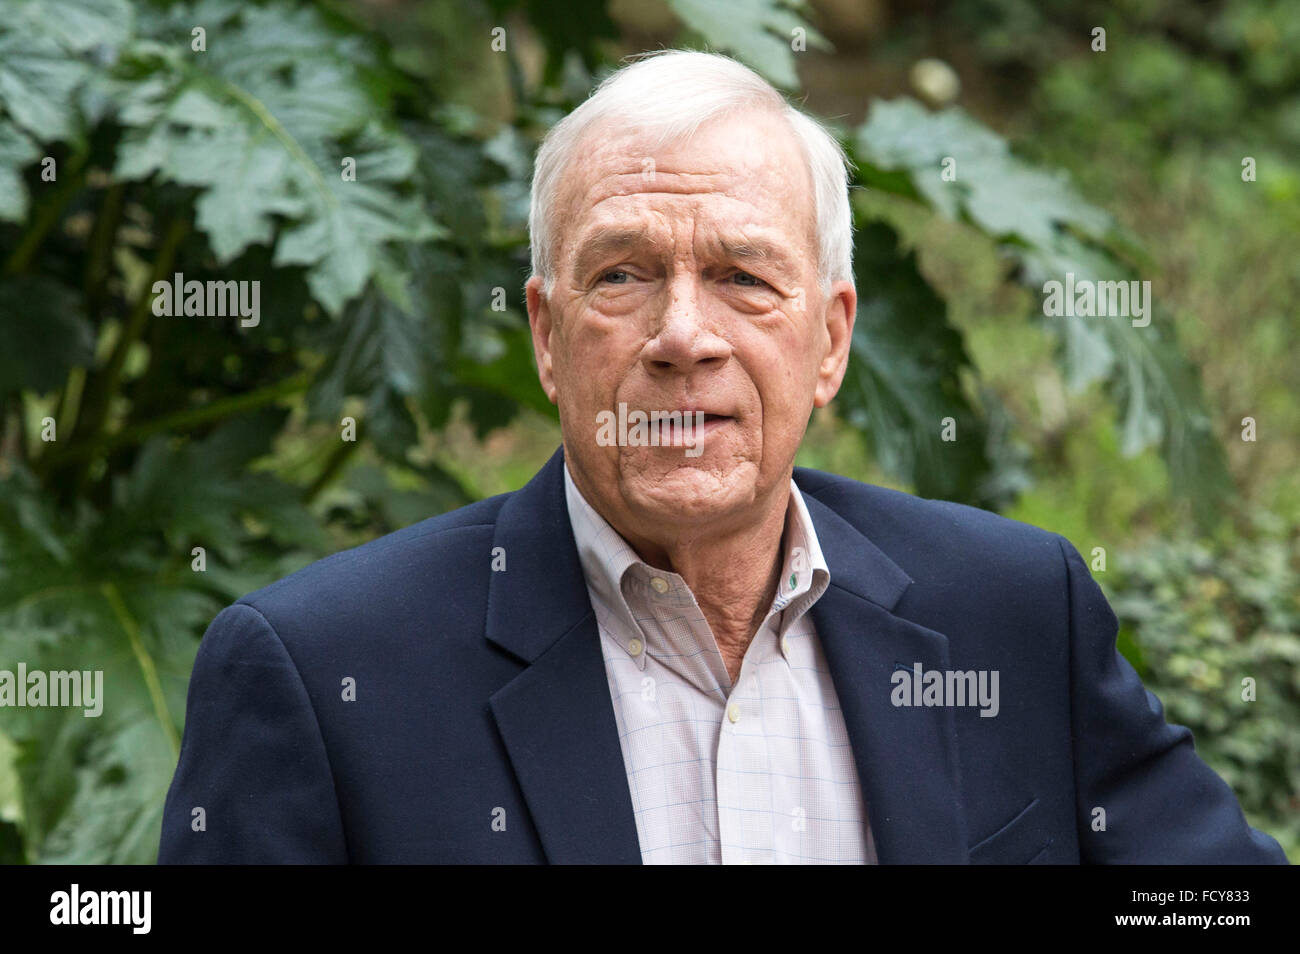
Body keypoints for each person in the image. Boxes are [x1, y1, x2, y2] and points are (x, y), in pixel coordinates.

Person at [158, 50, 1287, 865]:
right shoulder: (319, 674)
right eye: (622, 275)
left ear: (830, 339)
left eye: (743, 278)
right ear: (547, 338)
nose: (683, 335)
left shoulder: (1012, 612)